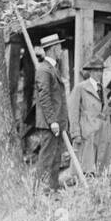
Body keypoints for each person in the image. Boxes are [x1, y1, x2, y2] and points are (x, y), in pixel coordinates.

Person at [31, 35, 69, 192]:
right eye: (59, 48)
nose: (61, 51)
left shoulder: (52, 68)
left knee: (56, 157)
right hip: (49, 124)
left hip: (57, 122)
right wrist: (52, 121)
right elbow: (44, 97)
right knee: (46, 157)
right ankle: (36, 190)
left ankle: (53, 189)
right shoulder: (43, 69)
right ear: (53, 49)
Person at [68, 58, 111, 179]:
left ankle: (97, 188)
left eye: (101, 70)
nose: (99, 73)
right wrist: (75, 133)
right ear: (90, 72)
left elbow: (103, 112)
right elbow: (73, 111)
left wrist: (109, 131)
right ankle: (83, 189)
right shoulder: (81, 88)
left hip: (101, 132)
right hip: (87, 131)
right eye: (96, 70)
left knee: (101, 164)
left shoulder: (102, 89)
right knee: (85, 166)